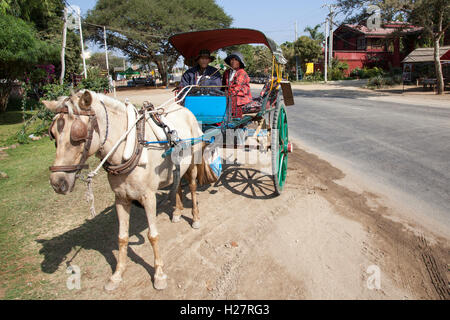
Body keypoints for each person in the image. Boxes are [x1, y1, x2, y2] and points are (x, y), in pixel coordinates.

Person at [222, 51, 252, 118]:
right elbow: (223, 86)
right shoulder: (226, 72)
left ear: (240, 62)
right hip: (229, 97)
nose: (233, 61)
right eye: (232, 59)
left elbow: (236, 89)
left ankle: (234, 123)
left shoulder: (242, 73)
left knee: (233, 103)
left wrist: (226, 94)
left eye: (236, 60)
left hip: (240, 99)